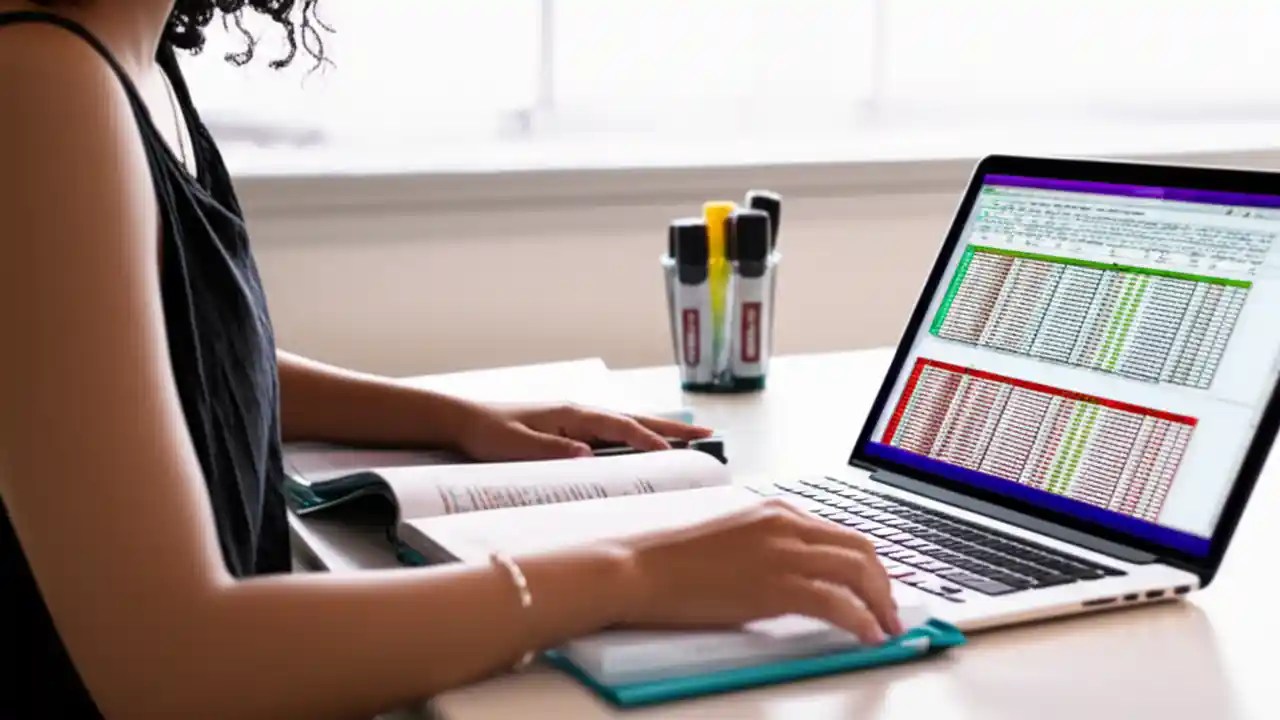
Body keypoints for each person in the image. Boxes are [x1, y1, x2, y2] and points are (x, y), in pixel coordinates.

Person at [0, 2, 901, 718]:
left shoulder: (132, 61)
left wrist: (450, 418)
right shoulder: (40, 84)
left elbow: (163, 349)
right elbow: (173, 663)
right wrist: (635, 572)